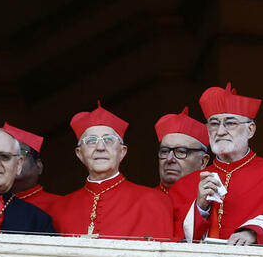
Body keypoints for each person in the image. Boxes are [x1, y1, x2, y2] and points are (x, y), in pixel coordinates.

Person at [172, 84, 263, 246]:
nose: (220, 131)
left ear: (250, 130)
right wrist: (200, 207)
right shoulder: (184, 185)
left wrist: (254, 232)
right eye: (214, 123)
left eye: (230, 123)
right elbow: (172, 238)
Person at [47, 103, 173, 240]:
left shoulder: (153, 202)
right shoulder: (58, 210)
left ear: (122, 152)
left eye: (108, 140)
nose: (100, 147)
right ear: (79, 154)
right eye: (91, 141)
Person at [1, 122, 61, 214]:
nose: (12, 160)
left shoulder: (60, 205)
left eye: (20, 153)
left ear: (39, 166)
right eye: (5, 156)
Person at [155, 107, 209, 192]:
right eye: (164, 151)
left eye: (181, 152)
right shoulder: (144, 201)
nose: (169, 159)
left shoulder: (214, 202)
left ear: (203, 161)